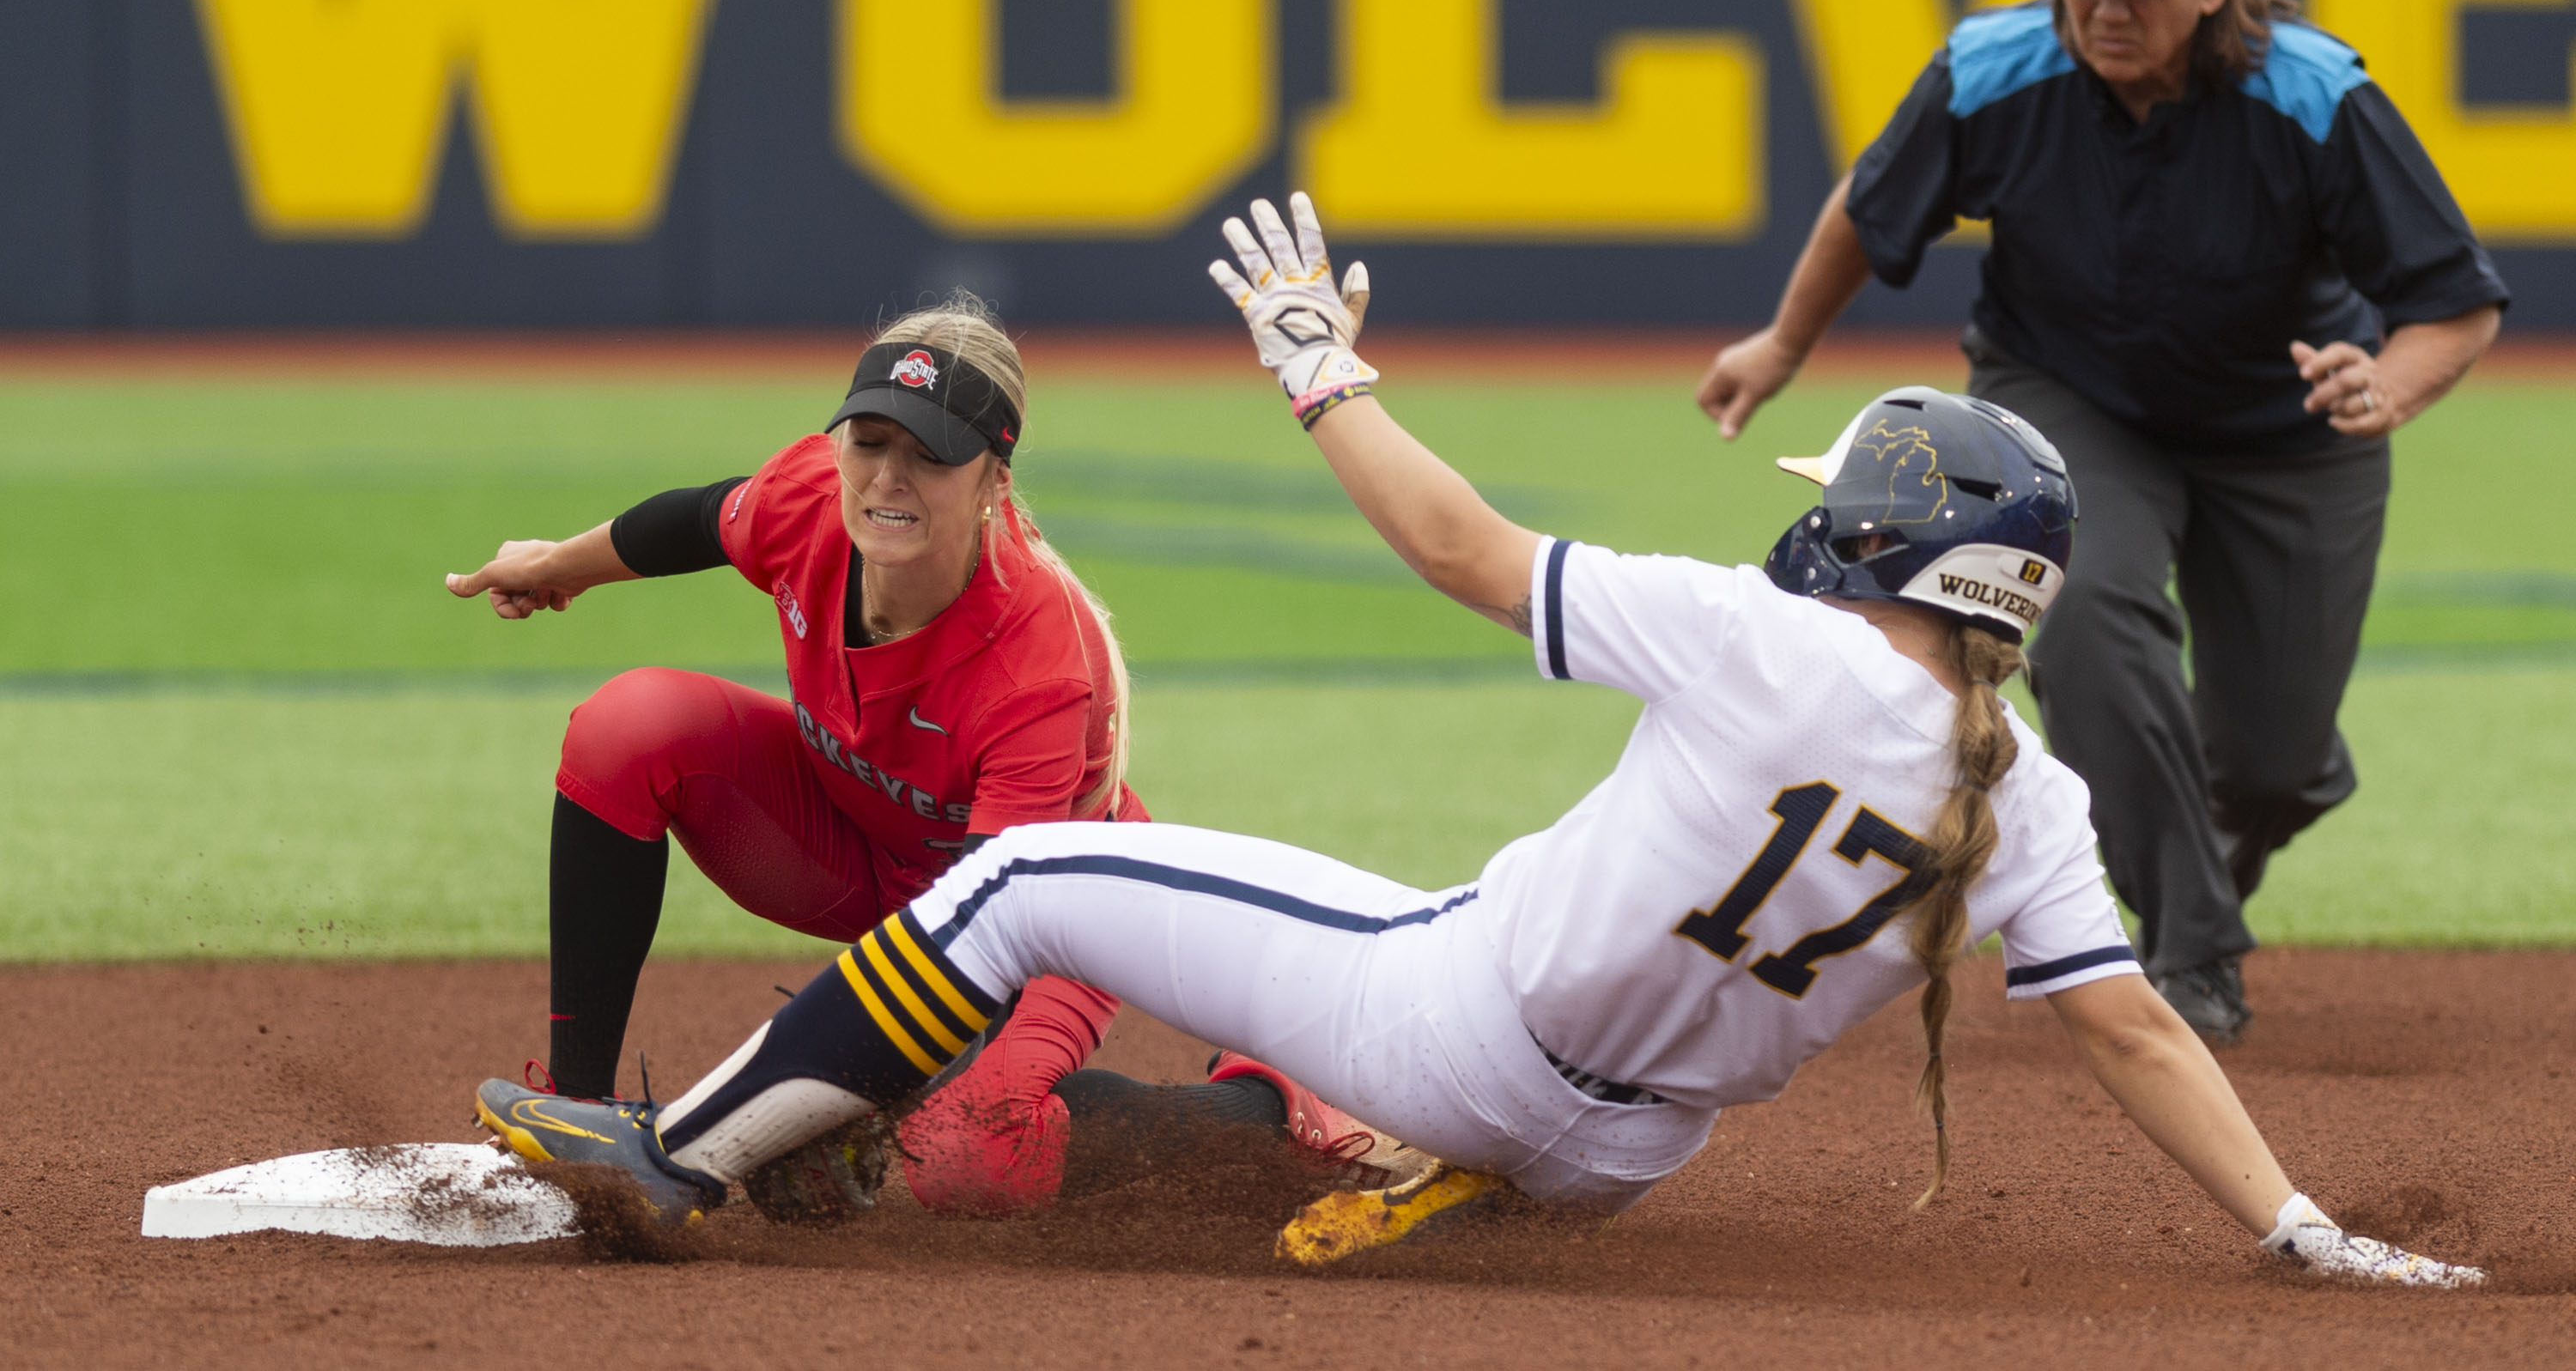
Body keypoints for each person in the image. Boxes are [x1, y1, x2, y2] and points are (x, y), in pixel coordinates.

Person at [478, 198, 2476, 1287]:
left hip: (1450, 1023)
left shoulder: (1762, 636)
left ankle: (680, 1162)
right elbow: (2129, 1028)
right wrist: (2294, 1227)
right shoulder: (2023, 794)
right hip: (1618, 1157)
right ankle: (1351, 1141)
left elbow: (1454, 546)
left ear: (1890, 535)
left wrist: (1318, 373)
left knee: (1009, 882)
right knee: (1408, 983)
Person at [1695, 0, 2509, 1045]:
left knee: (2275, 762)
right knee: (2087, 618)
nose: (2102, 2)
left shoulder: (2313, 93)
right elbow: (1870, 209)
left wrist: (2387, 385)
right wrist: (1783, 345)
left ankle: (2219, 841)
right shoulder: (1994, 70)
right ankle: (2191, 952)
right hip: (2070, 397)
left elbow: (2457, 298)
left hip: (2290, 422)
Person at [449, 297, 1405, 1219]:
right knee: (627, 728)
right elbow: (693, 522)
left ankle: (1269, 1107)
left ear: (994, 479)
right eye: (869, 442)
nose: (886, 480)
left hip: (1050, 922)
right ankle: (577, 1113)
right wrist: (552, 566)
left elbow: (987, 935)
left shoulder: (1036, 668)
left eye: (930, 455)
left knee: (970, 1156)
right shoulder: (810, 502)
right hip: (866, 845)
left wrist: (851, 1101)